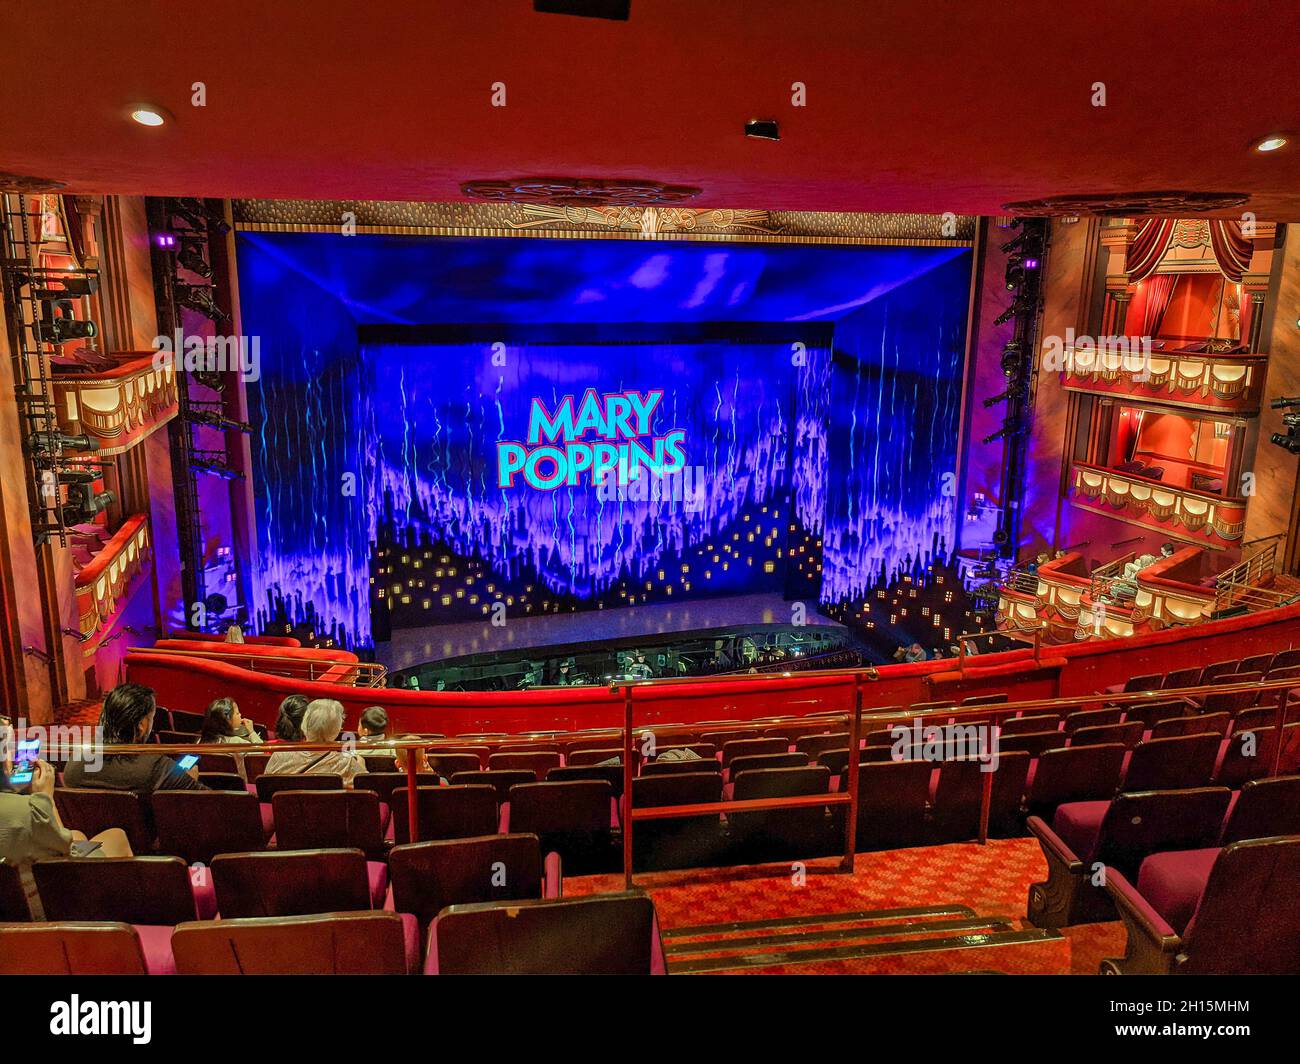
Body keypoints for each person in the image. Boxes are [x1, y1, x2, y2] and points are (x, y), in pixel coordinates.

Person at [0, 758, 133, 919]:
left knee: (76, 834)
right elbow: (67, 856)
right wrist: (45, 797)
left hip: (8, 906)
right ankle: (121, 919)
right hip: (42, 908)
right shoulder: (28, 810)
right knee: (117, 836)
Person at [62, 683, 205, 793]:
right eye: (152, 717)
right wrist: (187, 780)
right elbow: (209, 800)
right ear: (142, 725)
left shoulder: (75, 762)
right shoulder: (158, 768)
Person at [264, 698, 364, 786]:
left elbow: (266, 788)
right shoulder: (347, 763)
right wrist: (362, 766)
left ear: (304, 723)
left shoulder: (279, 756)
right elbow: (365, 788)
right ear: (336, 729)